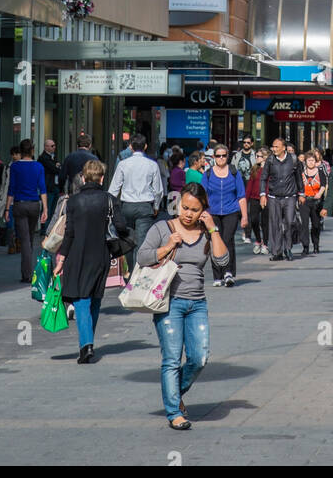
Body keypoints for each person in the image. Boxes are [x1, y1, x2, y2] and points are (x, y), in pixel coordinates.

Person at [137, 183, 230, 430]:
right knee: (171, 359)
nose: (188, 213)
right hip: (168, 303)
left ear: (203, 211)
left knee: (199, 357)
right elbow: (142, 256)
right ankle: (174, 412)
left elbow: (222, 260)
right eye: (185, 207)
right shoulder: (162, 228)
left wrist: (213, 229)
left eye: (195, 210)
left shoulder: (206, 231)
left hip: (197, 302)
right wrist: (168, 246)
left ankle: (175, 394)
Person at [53, 158, 130, 363]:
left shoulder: (74, 201)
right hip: (101, 255)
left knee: (81, 300)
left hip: (77, 255)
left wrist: (61, 259)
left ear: (83, 177)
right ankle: (88, 342)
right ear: (102, 178)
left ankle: (86, 345)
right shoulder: (109, 199)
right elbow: (121, 227)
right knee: (95, 299)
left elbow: (69, 233)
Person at [107, 133, 163, 269]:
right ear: (145, 146)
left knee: (127, 240)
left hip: (126, 206)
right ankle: (137, 273)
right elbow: (158, 190)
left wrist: (110, 209)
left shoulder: (123, 164)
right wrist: (156, 206)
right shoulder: (152, 165)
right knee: (142, 242)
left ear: (131, 146)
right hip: (145, 206)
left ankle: (130, 270)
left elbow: (113, 190)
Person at [201, 144, 247, 286]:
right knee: (215, 241)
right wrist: (202, 214)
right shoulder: (207, 174)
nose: (221, 158)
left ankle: (228, 273)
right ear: (214, 157)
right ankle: (217, 275)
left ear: (228, 157)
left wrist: (244, 216)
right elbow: (202, 196)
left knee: (227, 240)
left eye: (224, 155)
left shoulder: (234, 173)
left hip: (231, 211)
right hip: (213, 212)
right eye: (218, 156)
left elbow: (241, 196)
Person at [4, 139, 48, 284]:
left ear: (21, 151)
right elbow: (42, 188)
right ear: (32, 150)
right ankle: (29, 271)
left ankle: (27, 274)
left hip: (20, 205)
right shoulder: (39, 166)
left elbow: (11, 189)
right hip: (34, 205)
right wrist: (45, 208)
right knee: (29, 238)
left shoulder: (15, 167)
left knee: (24, 241)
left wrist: (6, 208)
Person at [260, 137, 303, 262]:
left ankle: (288, 248)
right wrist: (263, 194)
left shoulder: (293, 160)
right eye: (273, 147)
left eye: (276, 147)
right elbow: (263, 178)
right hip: (274, 197)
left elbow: (298, 178)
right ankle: (276, 252)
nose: (274, 149)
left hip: (290, 197)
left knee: (289, 222)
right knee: (275, 224)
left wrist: (302, 193)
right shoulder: (270, 160)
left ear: (284, 148)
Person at [298, 152, 327, 256]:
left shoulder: (320, 171)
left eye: (313, 160)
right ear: (305, 162)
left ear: (316, 161)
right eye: (309, 160)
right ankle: (305, 246)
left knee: (316, 224)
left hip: (316, 201)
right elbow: (298, 185)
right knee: (304, 224)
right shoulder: (301, 172)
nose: (311, 162)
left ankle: (316, 245)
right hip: (304, 201)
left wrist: (319, 194)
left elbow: (323, 185)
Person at [0, 146, 21, 254]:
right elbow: (3, 182)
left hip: (20, 199)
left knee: (18, 223)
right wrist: (1, 194)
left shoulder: (23, 166)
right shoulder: (8, 167)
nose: (15, 156)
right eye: (13, 154)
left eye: (17, 154)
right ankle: (11, 244)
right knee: (9, 222)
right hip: (8, 199)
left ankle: (18, 242)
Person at [246, 148, 269, 254]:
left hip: (266, 199)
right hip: (254, 198)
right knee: (254, 220)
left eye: (258, 156)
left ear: (264, 157)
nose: (256, 158)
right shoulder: (255, 169)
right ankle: (258, 240)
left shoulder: (270, 169)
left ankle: (265, 244)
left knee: (265, 222)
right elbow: (250, 184)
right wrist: (246, 199)